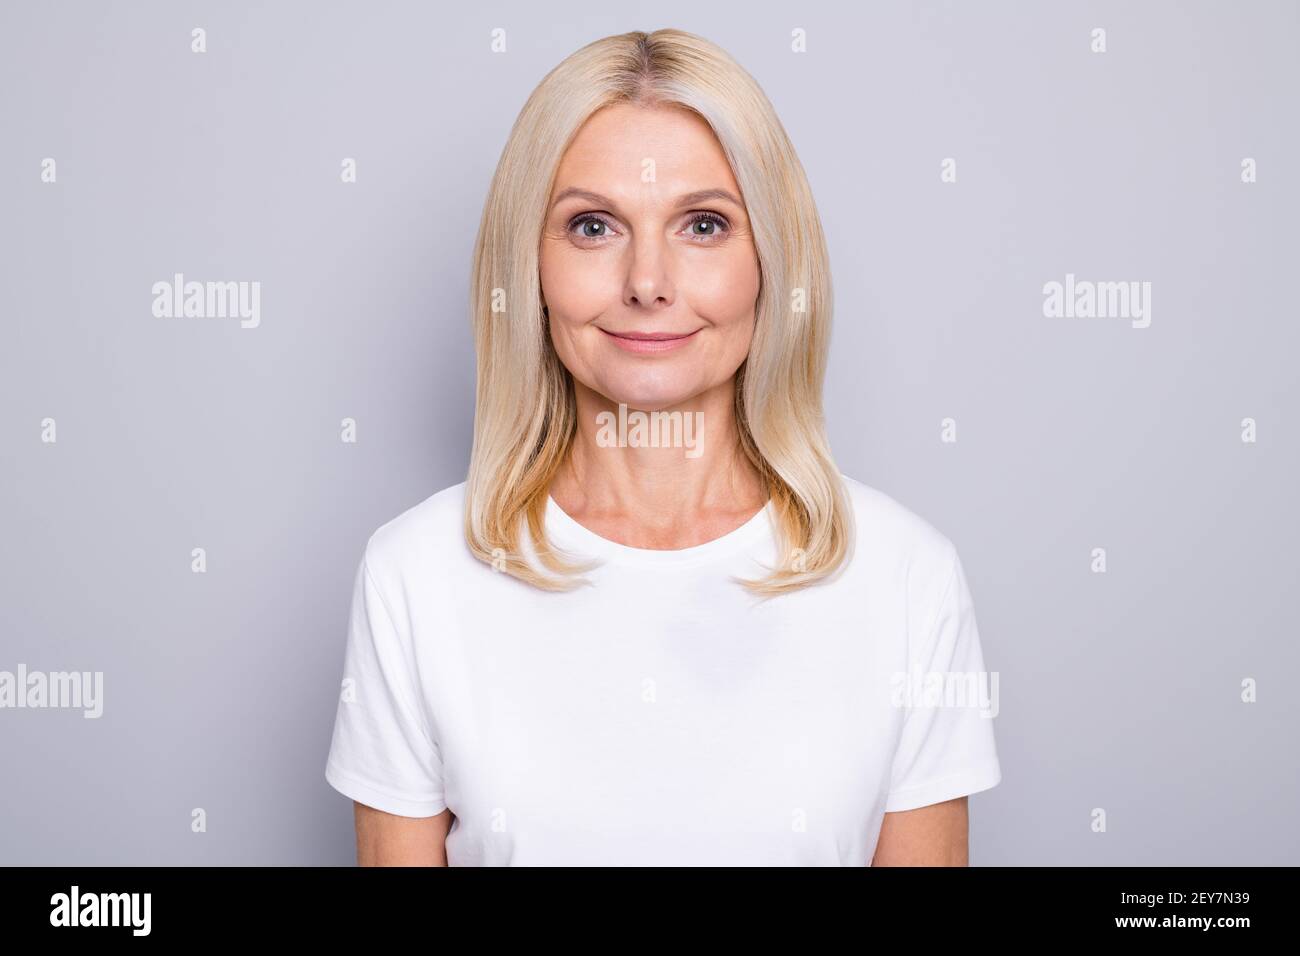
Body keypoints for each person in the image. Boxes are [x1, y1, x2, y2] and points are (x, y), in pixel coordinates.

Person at [325, 28, 1001, 866]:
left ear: (774, 262)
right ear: (527, 267)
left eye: (705, 224)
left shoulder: (904, 576)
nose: (648, 282)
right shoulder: (418, 573)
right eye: (594, 225)